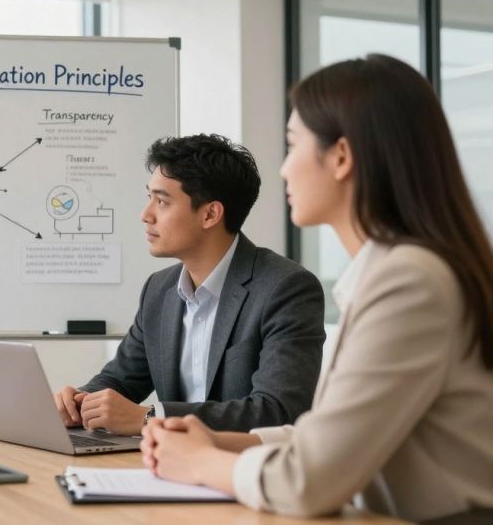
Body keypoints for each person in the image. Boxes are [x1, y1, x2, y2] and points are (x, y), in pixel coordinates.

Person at [142, 55, 493, 522]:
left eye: (293, 145)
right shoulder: (394, 272)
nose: (284, 169)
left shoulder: (410, 281)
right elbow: (330, 437)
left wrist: (203, 463)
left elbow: (309, 481)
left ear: (342, 157)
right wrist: (216, 439)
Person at [54, 134, 325, 435]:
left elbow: (278, 410)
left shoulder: (286, 288)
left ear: (210, 214)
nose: (146, 215)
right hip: (168, 467)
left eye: (162, 201)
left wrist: (151, 418)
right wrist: (78, 402)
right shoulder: (159, 289)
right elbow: (121, 380)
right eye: (149, 198)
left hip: (238, 472)